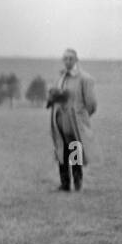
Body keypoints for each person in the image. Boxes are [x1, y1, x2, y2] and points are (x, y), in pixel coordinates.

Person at [46, 47, 96, 192]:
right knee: (61, 152)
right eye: (65, 58)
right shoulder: (60, 77)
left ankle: (78, 184)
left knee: (75, 152)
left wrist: (82, 118)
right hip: (59, 121)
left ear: (76, 60)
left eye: (70, 58)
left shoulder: (84, 78)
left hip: (74, 123)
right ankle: (65, 184)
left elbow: (91, 104)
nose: (67, 61)